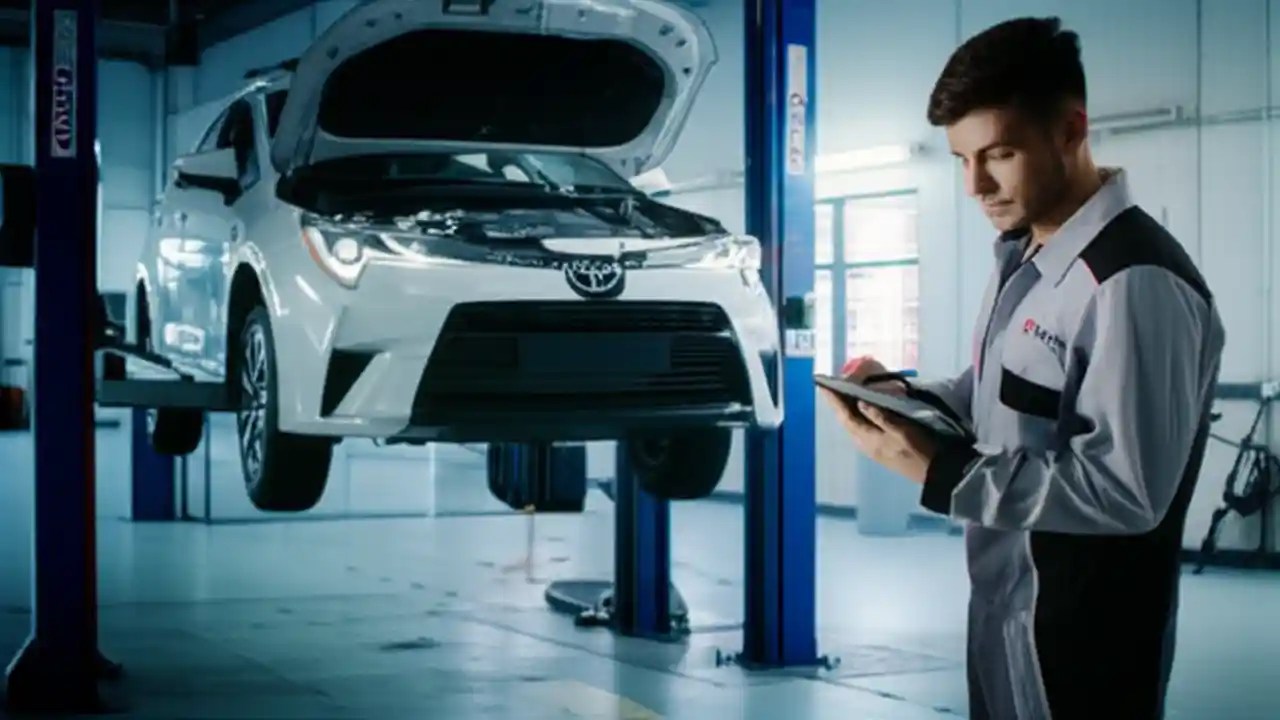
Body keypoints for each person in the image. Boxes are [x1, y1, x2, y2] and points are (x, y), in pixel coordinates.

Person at [822, 16, 1226, 720]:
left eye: (999, 154)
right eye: (961, 159)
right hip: (1003, 604)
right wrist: (904, 398)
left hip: (1082, 638)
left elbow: (1127, 494)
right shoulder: (1027, 254)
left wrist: (942, 473)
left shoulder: (1133, 281)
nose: (975, 184)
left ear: (1071, 131)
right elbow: (998, 395)